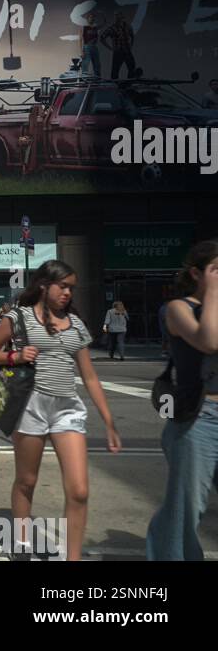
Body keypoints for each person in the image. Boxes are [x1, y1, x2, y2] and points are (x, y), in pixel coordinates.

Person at [0, 260, 122, 561]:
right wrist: (15, 356)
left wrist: (109, 421)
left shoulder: (76, 325)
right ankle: (20, 545)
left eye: (72, 288)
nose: (68, 293)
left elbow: (90, 377)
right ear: (44, 286)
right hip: (30, 406)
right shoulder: (18, 318)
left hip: (67, 410)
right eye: (63, 286)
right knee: (27, 481)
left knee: (80, 490)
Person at [146, 240, 218, 561]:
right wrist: (213, 293)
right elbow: (208, 341)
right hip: (198, 417)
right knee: (186, 507)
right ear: (197, 273)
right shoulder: (179, 309)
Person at [100, 10, 137, 80]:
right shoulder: (112, 28)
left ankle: (129, 85)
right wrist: (110, 48)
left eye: (119, 15)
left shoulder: (128, 26)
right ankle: (115, 86)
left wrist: (131, 45)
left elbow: (132, 36)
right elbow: (102, 38)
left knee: (132, 67)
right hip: (118, 52)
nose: (117, 17)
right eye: (116, 16)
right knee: (115, 71)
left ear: (122, 17)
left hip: (127, 50)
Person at [80, 11, 102, 77]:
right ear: (87, 19)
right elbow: (80, 40)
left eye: (93, 17)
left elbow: (104, 23)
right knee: (85, 65)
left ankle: (98, 81)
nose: (92, 19)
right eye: (91, 17)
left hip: (94, 47)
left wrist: (103, 15)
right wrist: (81, 52)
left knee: (97, 65)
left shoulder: (96, 28)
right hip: (87, 47)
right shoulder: (84, 27)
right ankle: (84, 82)